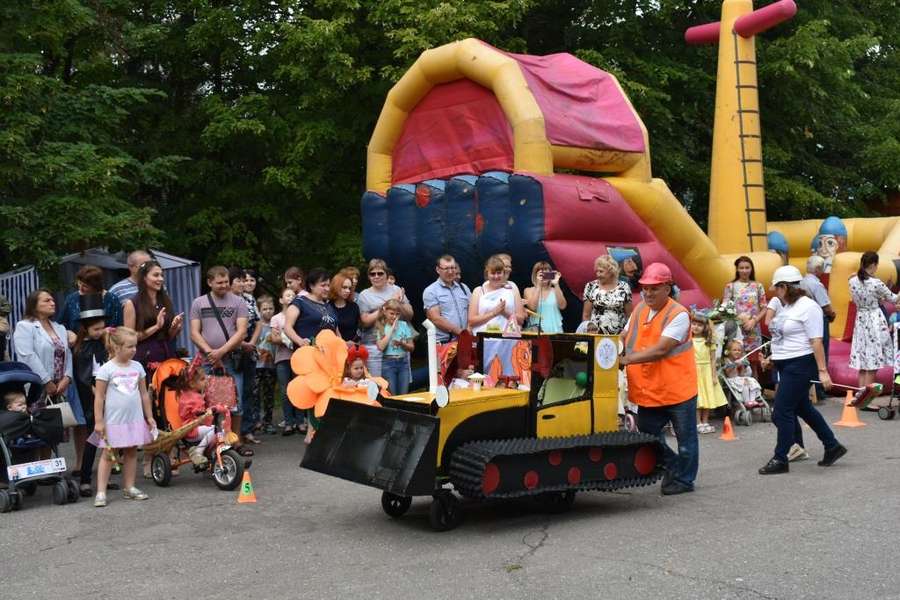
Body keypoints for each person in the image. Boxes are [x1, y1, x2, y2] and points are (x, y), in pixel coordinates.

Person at [758, 265, 847, 475]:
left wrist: (823, 371)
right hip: (785, 362)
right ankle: (832, 445)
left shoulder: (809, 307)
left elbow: (816, 340)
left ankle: (781, 458)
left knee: (781, 412)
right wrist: (773, 358)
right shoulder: (788, 307)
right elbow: (784, 338)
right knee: (803, 408)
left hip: (800, 365)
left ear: (785, 286)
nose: (775, 292)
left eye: (777, 288)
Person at [619, 263, 698, 495]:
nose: (648, 293)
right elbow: (624, 335)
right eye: (645, 288)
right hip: (649, 389)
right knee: (647, 435)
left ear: (667, 288)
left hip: (677, 389)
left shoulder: (678, 314)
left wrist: (625, 360)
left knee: (686, 440)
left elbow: (661, 349)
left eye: (654, 288)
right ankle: (673, 466)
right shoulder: (639, 309)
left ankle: (684, 480)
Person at [87, 327, 155, 507]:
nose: (134, 350)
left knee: (131, 452)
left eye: (135, 346)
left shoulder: (137, 367)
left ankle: (129, 487)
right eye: (129, 346)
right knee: (108, 454)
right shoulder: (106, 369)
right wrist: (99, 421)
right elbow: (99, 397)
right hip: (114, 421)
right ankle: (101, 491)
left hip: (134, 419)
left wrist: (149, 417)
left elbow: (144, 394)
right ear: (117, 347)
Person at [189, 265, 251, 456]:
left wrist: (221, 351)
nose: (224, 285)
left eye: (226, 282)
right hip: (207, 360)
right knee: (209, 403)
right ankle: (212, 441)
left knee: (236, 401)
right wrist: (211, 353)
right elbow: (194, 332)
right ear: (209, 282)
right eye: (219, 282)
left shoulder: (238, 302)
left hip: (231, 358)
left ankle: (235, 440)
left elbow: (242, 331)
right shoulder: (199, 303)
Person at [13, 289, 81, 454]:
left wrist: (67, 377)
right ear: (34, 305)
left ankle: (50, 466)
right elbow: (28, 356)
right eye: (46, 300)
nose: (52, 303)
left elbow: (67, 354)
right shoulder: (25, 326)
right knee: (37, 432)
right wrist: (46, 381)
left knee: (52, 433)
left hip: (59, 388)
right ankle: (37, 467)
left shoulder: (59, 328)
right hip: (37, 387)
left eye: (52, 300)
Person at [284, 269, 339, 443]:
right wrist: (300, 341)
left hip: (329, 358)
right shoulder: (300, 302)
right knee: (314, 391)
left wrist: (342, 346)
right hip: (310, 356)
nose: (327, 288)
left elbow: (335, 330)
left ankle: (319, 431)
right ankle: (311, 431)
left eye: (328, 285)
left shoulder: (328, 305)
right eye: (323, 285)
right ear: (311, 285)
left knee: (328, 393)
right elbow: (287, 326)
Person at [72, 295, 110, 496]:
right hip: (92, 397)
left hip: (108, 394)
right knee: (93, 437)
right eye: (96, 329)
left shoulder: (104, 344)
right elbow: (83, 377)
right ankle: (85, 479)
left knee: (110, 437)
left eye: (102, 328)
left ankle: (106, 477)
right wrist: (96, 392)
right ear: (85, 329)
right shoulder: (81, 349)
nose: (100, 332)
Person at [848, 251, 899, 391]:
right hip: (874, 320)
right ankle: (867, 398)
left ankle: (860, 395)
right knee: (873, 362)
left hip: (860, 320)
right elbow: (894, 299)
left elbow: (860, 297)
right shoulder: (876, 283)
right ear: (873, 265)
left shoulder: (852, 281)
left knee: (863, 362)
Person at [122, 260, 183, 367]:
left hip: (167, 356)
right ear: (144, 278)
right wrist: (156, 327)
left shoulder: (166, 301)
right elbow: (129, 338)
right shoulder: (131, 303)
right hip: (144, 359)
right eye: (156, 275)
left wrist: (175, 328)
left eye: (161, 275)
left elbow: (169, 336)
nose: (161, 279)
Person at [358, 259, 413, 376]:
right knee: (377, 383)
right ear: (368, 276)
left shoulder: (396, 290)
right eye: (372, 274)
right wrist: (389, 302)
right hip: (375, 347)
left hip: (398, 345)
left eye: (380, 273)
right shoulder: (364, 295)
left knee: (401, 385)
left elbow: (410, 315)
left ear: (386, 274)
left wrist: (401, 302)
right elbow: (365, 321)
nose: (376, 276)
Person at [722, 256, 768, 373]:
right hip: (737, 330)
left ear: (751, 269)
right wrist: (738, 319)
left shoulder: (758, 286)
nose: (744, 270)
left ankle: (755, 384)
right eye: (741, 268)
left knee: (753, 364)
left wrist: (754, 321)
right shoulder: (730, 286)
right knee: (736, 362)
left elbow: (764, 308)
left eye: (747, 267)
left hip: (753, 330)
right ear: (737, 269)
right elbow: (724, 308)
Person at [232, 268, 262, 444]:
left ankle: (247, 429)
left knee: (249, 389)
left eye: (244, 280)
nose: (243, 284)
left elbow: (258, 322)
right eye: (239, 280)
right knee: (235, 391)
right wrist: (242, 343)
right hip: (232, 348)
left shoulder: (249, 299)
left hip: (250, 346)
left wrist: (252, 342)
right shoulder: (226, 300)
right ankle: (232, 432)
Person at [801, 255, 836, 401]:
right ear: (817, 269)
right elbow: (826, 306)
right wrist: (832, 314)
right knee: (821, 352)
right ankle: (820, 389)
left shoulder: (801, 282)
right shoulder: (816, 285)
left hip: (805, 321)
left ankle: (811, 389)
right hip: (819, 320)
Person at [269, 288, 303, 435]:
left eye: (293, 295)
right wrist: (288, 337)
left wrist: (284, 335)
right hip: (282, 358)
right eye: (287, 295)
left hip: (298, 357)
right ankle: (288, 422)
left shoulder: (300, 316)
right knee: (285, 391)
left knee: (299, 389)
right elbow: (274, 338)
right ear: (281, 300)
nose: (291, 297)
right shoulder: (276, 318)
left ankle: (300, 422)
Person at [468, 255, 525, 334]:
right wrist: (493, 313)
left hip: (509, 338)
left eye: (499, 273)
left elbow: (521, 320)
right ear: (487, 274)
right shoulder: (478, 291)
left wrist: (505, 312)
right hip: (483, 338)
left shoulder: (512, 289)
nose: (496, 276)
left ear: (503, 273)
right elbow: (471, 321)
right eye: (493, 273)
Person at [690, 312, 727, 434]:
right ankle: (698, 423)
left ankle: (705, 421)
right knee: (698, 398)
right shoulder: (689, 341)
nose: (696, 327)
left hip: (706, 372)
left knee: (707, 397)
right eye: (694, 324)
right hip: (694, 371)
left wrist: (714, 375)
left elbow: (712, 360)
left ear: (705, 327)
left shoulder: (709, 341)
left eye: (699, 325)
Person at [174, 366, 218, 468]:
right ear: (192, 384)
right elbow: (192, 411)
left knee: (218, 432)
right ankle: (198, 452)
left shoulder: (192, 395)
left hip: (197, 428)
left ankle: (221, 456)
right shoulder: (191, 398)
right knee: (216, 430)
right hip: (192, 430)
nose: (205, 381)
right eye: (202, 379)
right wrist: (201, 412)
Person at [58, 265, 123, 332]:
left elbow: (119, 327)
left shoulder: (112, 299)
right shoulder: (71, 299)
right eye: (79, 283)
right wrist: (69, 333)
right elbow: (60, 324)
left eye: (85, 286)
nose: (80, 288)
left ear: (96, 287)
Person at [423, 255, 471, 343]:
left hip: (466, 340)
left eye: (453, 268)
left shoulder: (464, 288)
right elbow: (436, 318)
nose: (450, 272)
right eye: (446, 268)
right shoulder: (430, 291)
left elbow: (471, 311)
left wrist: (468, 330)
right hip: (445, 343)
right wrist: (461, 333)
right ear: (438, 270)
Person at [582, 255, 632, 334]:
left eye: (601, 271)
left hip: (619, 336)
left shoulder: (624, 287)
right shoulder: (591, 286)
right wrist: (589, 332)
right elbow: (586, 315)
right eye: (597, 271)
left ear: (611, 271)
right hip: (595, 335)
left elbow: (629, 315)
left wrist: (628, 333)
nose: (598, 274)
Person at [376, 299, 416, 395]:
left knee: (403, 395)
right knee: (392, 395)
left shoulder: (404, 325)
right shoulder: (381, 326)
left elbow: (412, 347)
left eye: (397, 314)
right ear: (385, 311)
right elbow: (381, 347)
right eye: (392, 313)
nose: (394, 317)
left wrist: (402, 344)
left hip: (403, 363)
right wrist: (392, 329)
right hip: (388, 364)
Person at [254, 295, 277, 433]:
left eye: (270, 308)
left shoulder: (276, 325)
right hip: (256, 365)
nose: (268, 311)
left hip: (271, 365)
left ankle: (268, 422)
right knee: (255, 394)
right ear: (259, 310)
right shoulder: (256, 326)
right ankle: (256, 421)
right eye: (264, 309)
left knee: (269, 395)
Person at [524, 261, 566, 333]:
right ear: (535, 275)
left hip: (555, 329)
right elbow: (533, 307)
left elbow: (563, 306)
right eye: (542, 274)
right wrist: (538, 285)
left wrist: (556, 284)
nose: (544, 276)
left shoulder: (555, 290)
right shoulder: (528, 290)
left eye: (547, 274)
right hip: (535, 330)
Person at [722, 339, 764, 409]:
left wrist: (742, 366)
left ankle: (752, 400)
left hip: (739, 379)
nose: (737, 352)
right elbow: (728, 373)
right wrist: (734, 365)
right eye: (734, 350)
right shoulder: (727, 360)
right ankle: (747, 401)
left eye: (739, 350)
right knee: (744, 383)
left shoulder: (740, 360)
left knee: (751, 380)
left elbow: (742, 374)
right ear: (729, 351)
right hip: (732, 380)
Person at [330, 272, 361, 342]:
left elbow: (359, 330)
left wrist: (354, 342)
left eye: (349, 288)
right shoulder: (327, 307)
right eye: (344, 287)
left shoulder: (354, 307)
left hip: (351, 346)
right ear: (336, 286)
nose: (348, 291)